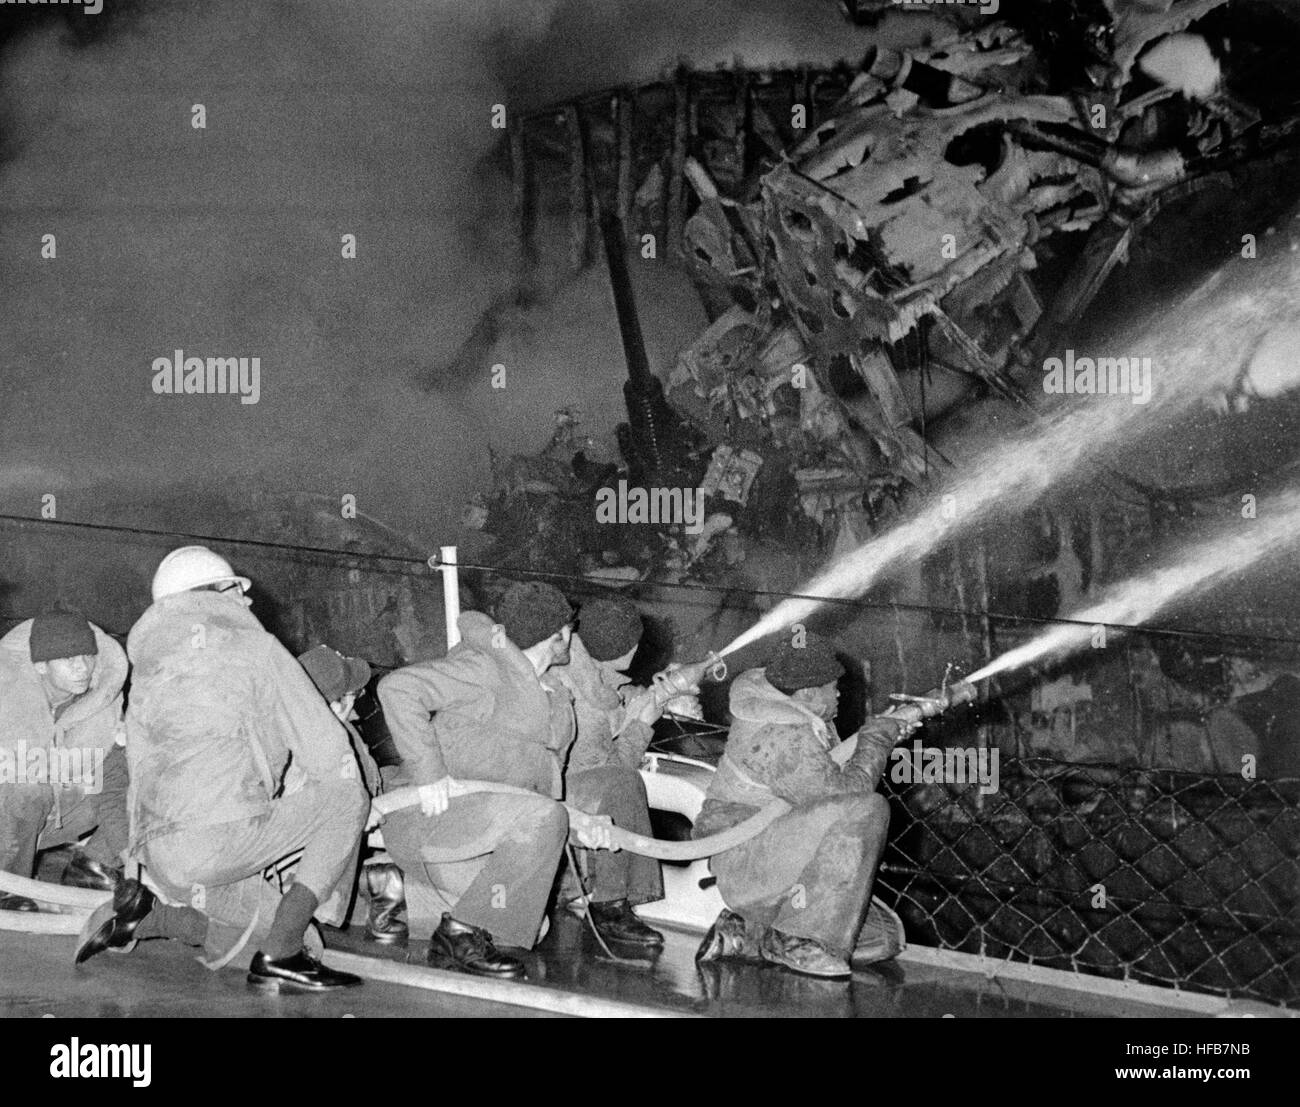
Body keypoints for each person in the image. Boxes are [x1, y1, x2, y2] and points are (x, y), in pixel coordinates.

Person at [94, 546, 368, 992]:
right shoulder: (257, 648)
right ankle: (282, 955)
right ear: (217, 592)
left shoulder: (147, 670)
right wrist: (347, 824)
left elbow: (136, 770)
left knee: (296, 933)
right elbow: (329, 754)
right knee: (347, 799)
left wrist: (135, 865)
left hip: (160, 859)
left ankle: (152, 915)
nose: (248, 603)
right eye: (238, 592)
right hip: (220, 841)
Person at [377, 580, 612, 980]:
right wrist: (430, 774)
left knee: (529, 927)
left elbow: (533, 793)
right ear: (558, 635)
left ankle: (395, 886)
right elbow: (397, 688)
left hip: (485, 833)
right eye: (569, 628)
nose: (572, 636)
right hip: (433, 820)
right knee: (505, 915)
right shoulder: (484, 668)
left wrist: (580, 824)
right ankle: (457, 932)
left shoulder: (551, 691)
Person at [693, 633, 908, 979]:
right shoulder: (783, 734)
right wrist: (877, 741)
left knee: (880, 940)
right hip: (749, 861)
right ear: (808, 693)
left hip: (774, 855)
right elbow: (846, 800)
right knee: (870, 808)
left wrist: (883, 733)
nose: (838, 693)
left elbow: (821, 781)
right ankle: (793, 940)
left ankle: (747, 934)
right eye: (833, 687)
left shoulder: (792, 712)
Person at [546, 596, 674, 948]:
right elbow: (608, 770)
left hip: (557, 783)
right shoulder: (580, 702)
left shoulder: (581, 667)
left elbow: (610, 690)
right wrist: (642, 726)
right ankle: (610, 905)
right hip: (554, 792)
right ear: (628, 647)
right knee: (621, 784)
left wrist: (648, 695)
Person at [0, 611, 130, 912]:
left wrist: (128, 854)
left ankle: (90, 869)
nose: (82, 667)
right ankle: (7, 886)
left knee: (140, 766)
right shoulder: (7, 699)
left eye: (87, 656)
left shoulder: (97, 712)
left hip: (50, 820)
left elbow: (113, 789)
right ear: (41, 666)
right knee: (24, 781)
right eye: (68, 659)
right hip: (8, 816)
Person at [297, 643, 406, 945]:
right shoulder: (329, 745)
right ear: (332, 705)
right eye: (352, 696)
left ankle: (373, 881)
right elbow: (351, 811)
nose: (358, 703)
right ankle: (370, 882)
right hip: (322, 872)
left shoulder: (339, 731)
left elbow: (375, 782)